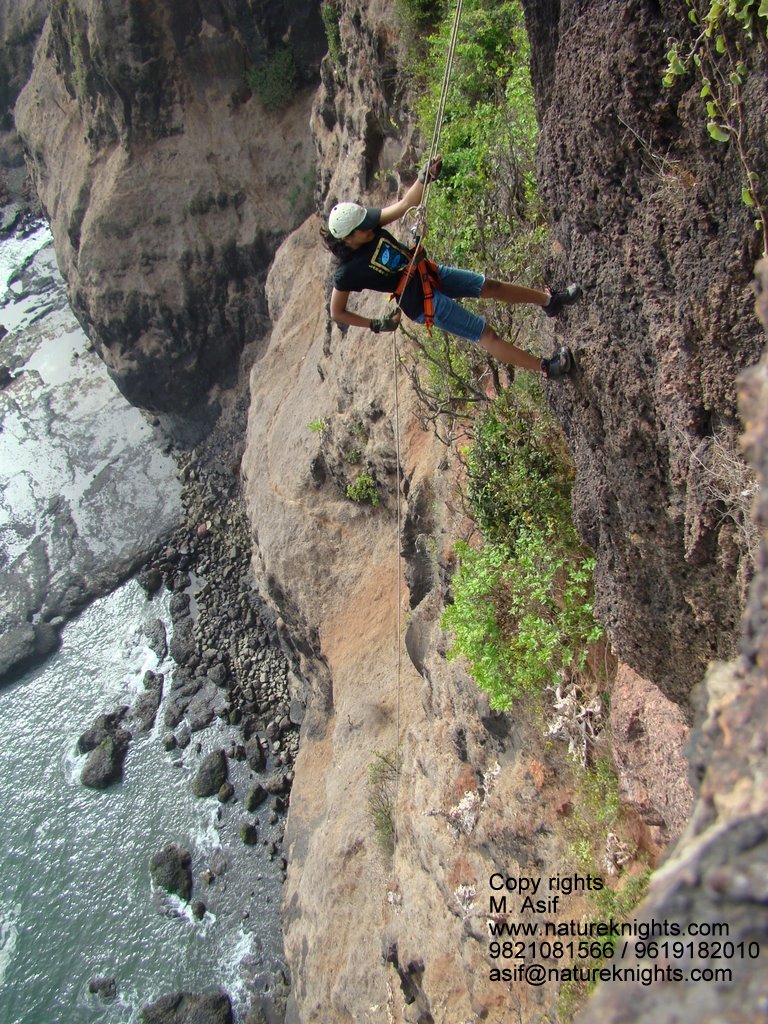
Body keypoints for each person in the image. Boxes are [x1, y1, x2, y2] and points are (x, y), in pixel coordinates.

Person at [321, 156, 581, 380]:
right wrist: (376, 324)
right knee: (484, 332)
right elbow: (337, 311)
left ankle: (550, 301)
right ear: (349, 237)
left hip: (427, 273)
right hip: (420, 302)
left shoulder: (368, 225)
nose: (371, 227)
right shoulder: (347, 272)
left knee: (490, 286)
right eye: (364, 228)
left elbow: (405, 205)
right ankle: (547, 368)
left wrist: (424, 178)